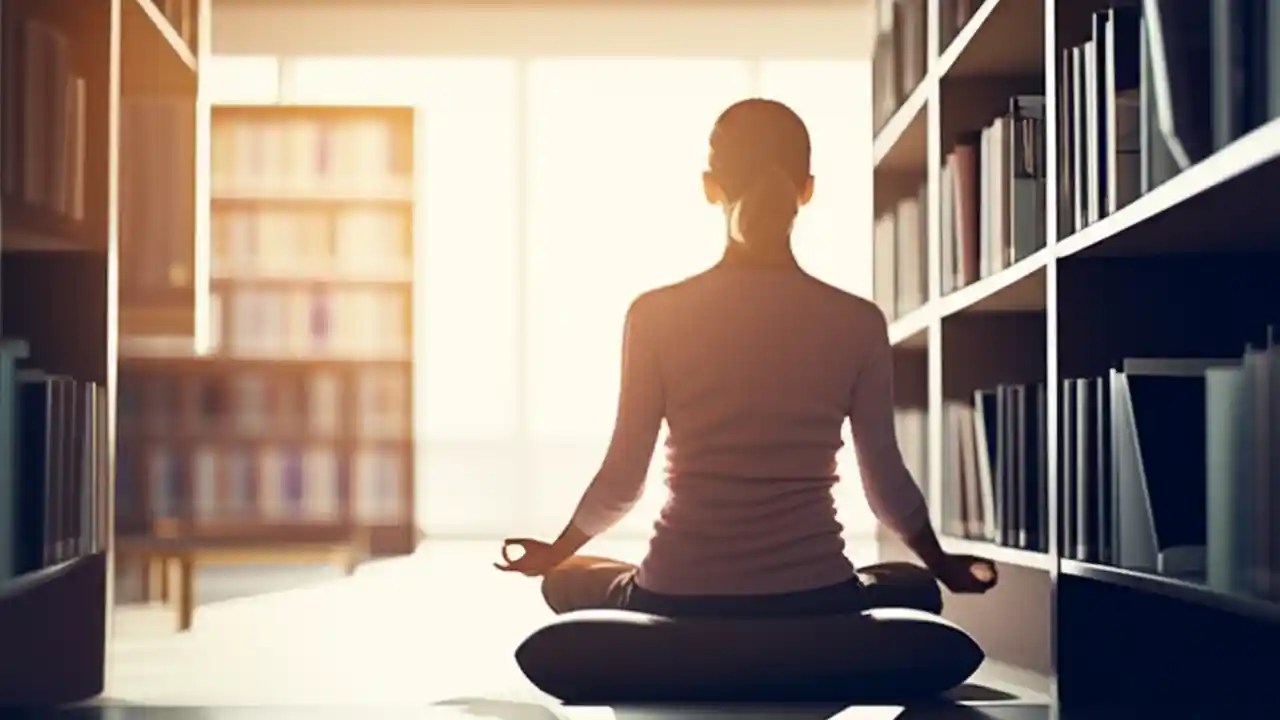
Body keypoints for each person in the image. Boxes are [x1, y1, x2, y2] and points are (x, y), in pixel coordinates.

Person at [496, 98, 996, 618]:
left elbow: (623, 481)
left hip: (678, 593)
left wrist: (556, 553)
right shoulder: (858, 322)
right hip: (816, 597)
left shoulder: (654, 314)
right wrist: (942, 565)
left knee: (568, 581)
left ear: (710, 187)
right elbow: (885, 484)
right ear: (807, 189)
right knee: (913, 586)